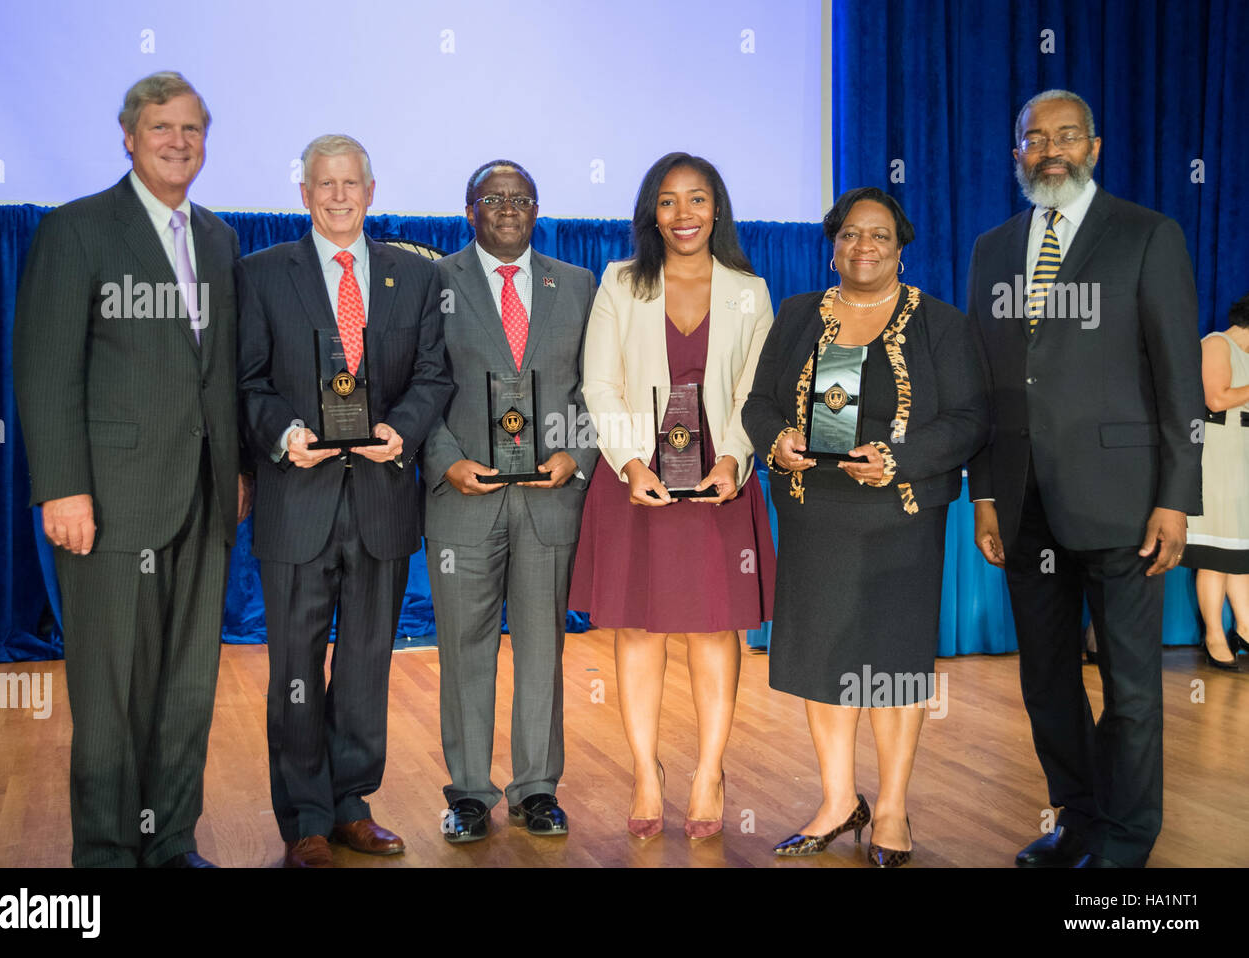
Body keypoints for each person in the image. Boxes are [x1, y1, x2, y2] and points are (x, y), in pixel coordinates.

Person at [12, 71, 249, 868]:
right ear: (128, 137)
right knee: (111, 698)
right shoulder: (76, 230)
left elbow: (216, 371)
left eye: (191, 129)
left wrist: (237, 469)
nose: (178, 142)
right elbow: (47, 370)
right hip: (109, 503)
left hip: (205, 499)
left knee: (187, 691)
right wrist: (61, 487)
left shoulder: (217, 237)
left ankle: (172, 842)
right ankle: (111, 856)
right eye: (160, 128)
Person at [967, 90, 1204, 868]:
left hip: (1127, 504)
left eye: (1066, 136)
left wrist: (1176, 497)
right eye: (1035, 138)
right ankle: (1078, 819)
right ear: (1017, 154)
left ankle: (1127, 841)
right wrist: (988, 494)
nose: (1051, 149)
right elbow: (984, 385)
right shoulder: (992, 249)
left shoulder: (1147, 235)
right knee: (1046, 683)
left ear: (1094, 148)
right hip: (1026, 502)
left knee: (1132, 691)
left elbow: (1178, 381)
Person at [743, 188, 989, 867]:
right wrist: (777, 439)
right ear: (833, 245)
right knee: (824, 659)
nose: (864, 247)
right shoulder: (796, 315)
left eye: (878, 235)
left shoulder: (941, 323)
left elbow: (970, 420)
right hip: (814, 510)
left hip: (899, 515)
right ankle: (834, 801)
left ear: (901, 247)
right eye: (850, 234)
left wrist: (898, 459)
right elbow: (759, 404)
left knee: (892, 664)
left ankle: (891, 810)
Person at [237, 134, 452, 868]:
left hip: (382, 500)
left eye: (350, 183)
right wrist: (284, 434)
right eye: (323, 183)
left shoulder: (413, 277)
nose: (337, 195)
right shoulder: (261, 275)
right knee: (295, 667)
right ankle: (305, 819)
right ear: (303, 193)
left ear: (370, 190)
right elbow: (248, 385)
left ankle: (353, 804)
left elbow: (433, 376)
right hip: (297, 500)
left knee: (365, 665)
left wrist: (404, 431)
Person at [570, 152, 776, 840]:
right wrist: (630, 460)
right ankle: (645, 771)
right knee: (639, 628)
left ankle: (709, 771)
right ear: (650, 213)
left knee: (717, 629)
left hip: (718, 480)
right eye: (668, 201)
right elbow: (599, 383)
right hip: (637, 476)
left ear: (717, 208)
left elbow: (756, 392)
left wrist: (736, 462)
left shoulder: (750, 290)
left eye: (697, 199)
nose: (683, 214)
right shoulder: (620, 283)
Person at [422, 160, 597, 843]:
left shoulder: (578, 285)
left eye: (519, 198)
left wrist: (576, 455)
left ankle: (536, 789)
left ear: (536, 208)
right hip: (463, 498)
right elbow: (417, 384)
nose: (506, 208)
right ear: (469, 209)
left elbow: (592, 388)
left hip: (549, 499)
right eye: (492, 198)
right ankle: (469, 791)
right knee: (464, 649)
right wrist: (443, 461)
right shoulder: (434, 283)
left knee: (541, 648)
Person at [1181, 292, 1249, 670]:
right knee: (1217, 553)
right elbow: (1217, 398)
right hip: (1217, 456)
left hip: (1242, 457)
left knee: (1239, 553)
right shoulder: (1217, 343)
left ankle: (1244, 625)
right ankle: (1214, 635)